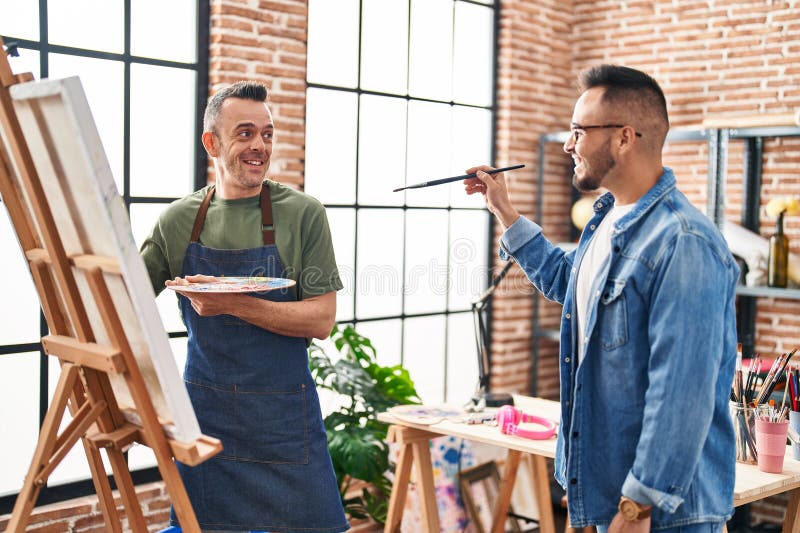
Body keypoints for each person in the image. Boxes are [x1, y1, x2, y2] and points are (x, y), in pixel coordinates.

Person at [465, 65, 738, 532]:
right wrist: (504, 211)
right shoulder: (607, 220)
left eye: (578, 131)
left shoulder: (684, 241)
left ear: (624, 138)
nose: (568, 145)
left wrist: (639, 504)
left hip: (664, 514)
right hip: (609, 496)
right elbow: (568, 283)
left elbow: (681, 393)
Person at [140, 81, 348, 533]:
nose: (260, 146)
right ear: (212, 143)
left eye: (267, 134)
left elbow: (321, 319)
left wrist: (233, 304)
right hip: (206, 418)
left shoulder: (303, 213)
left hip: (283, 421)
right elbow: (124, 304)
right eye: (246, 133)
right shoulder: (178, 220)